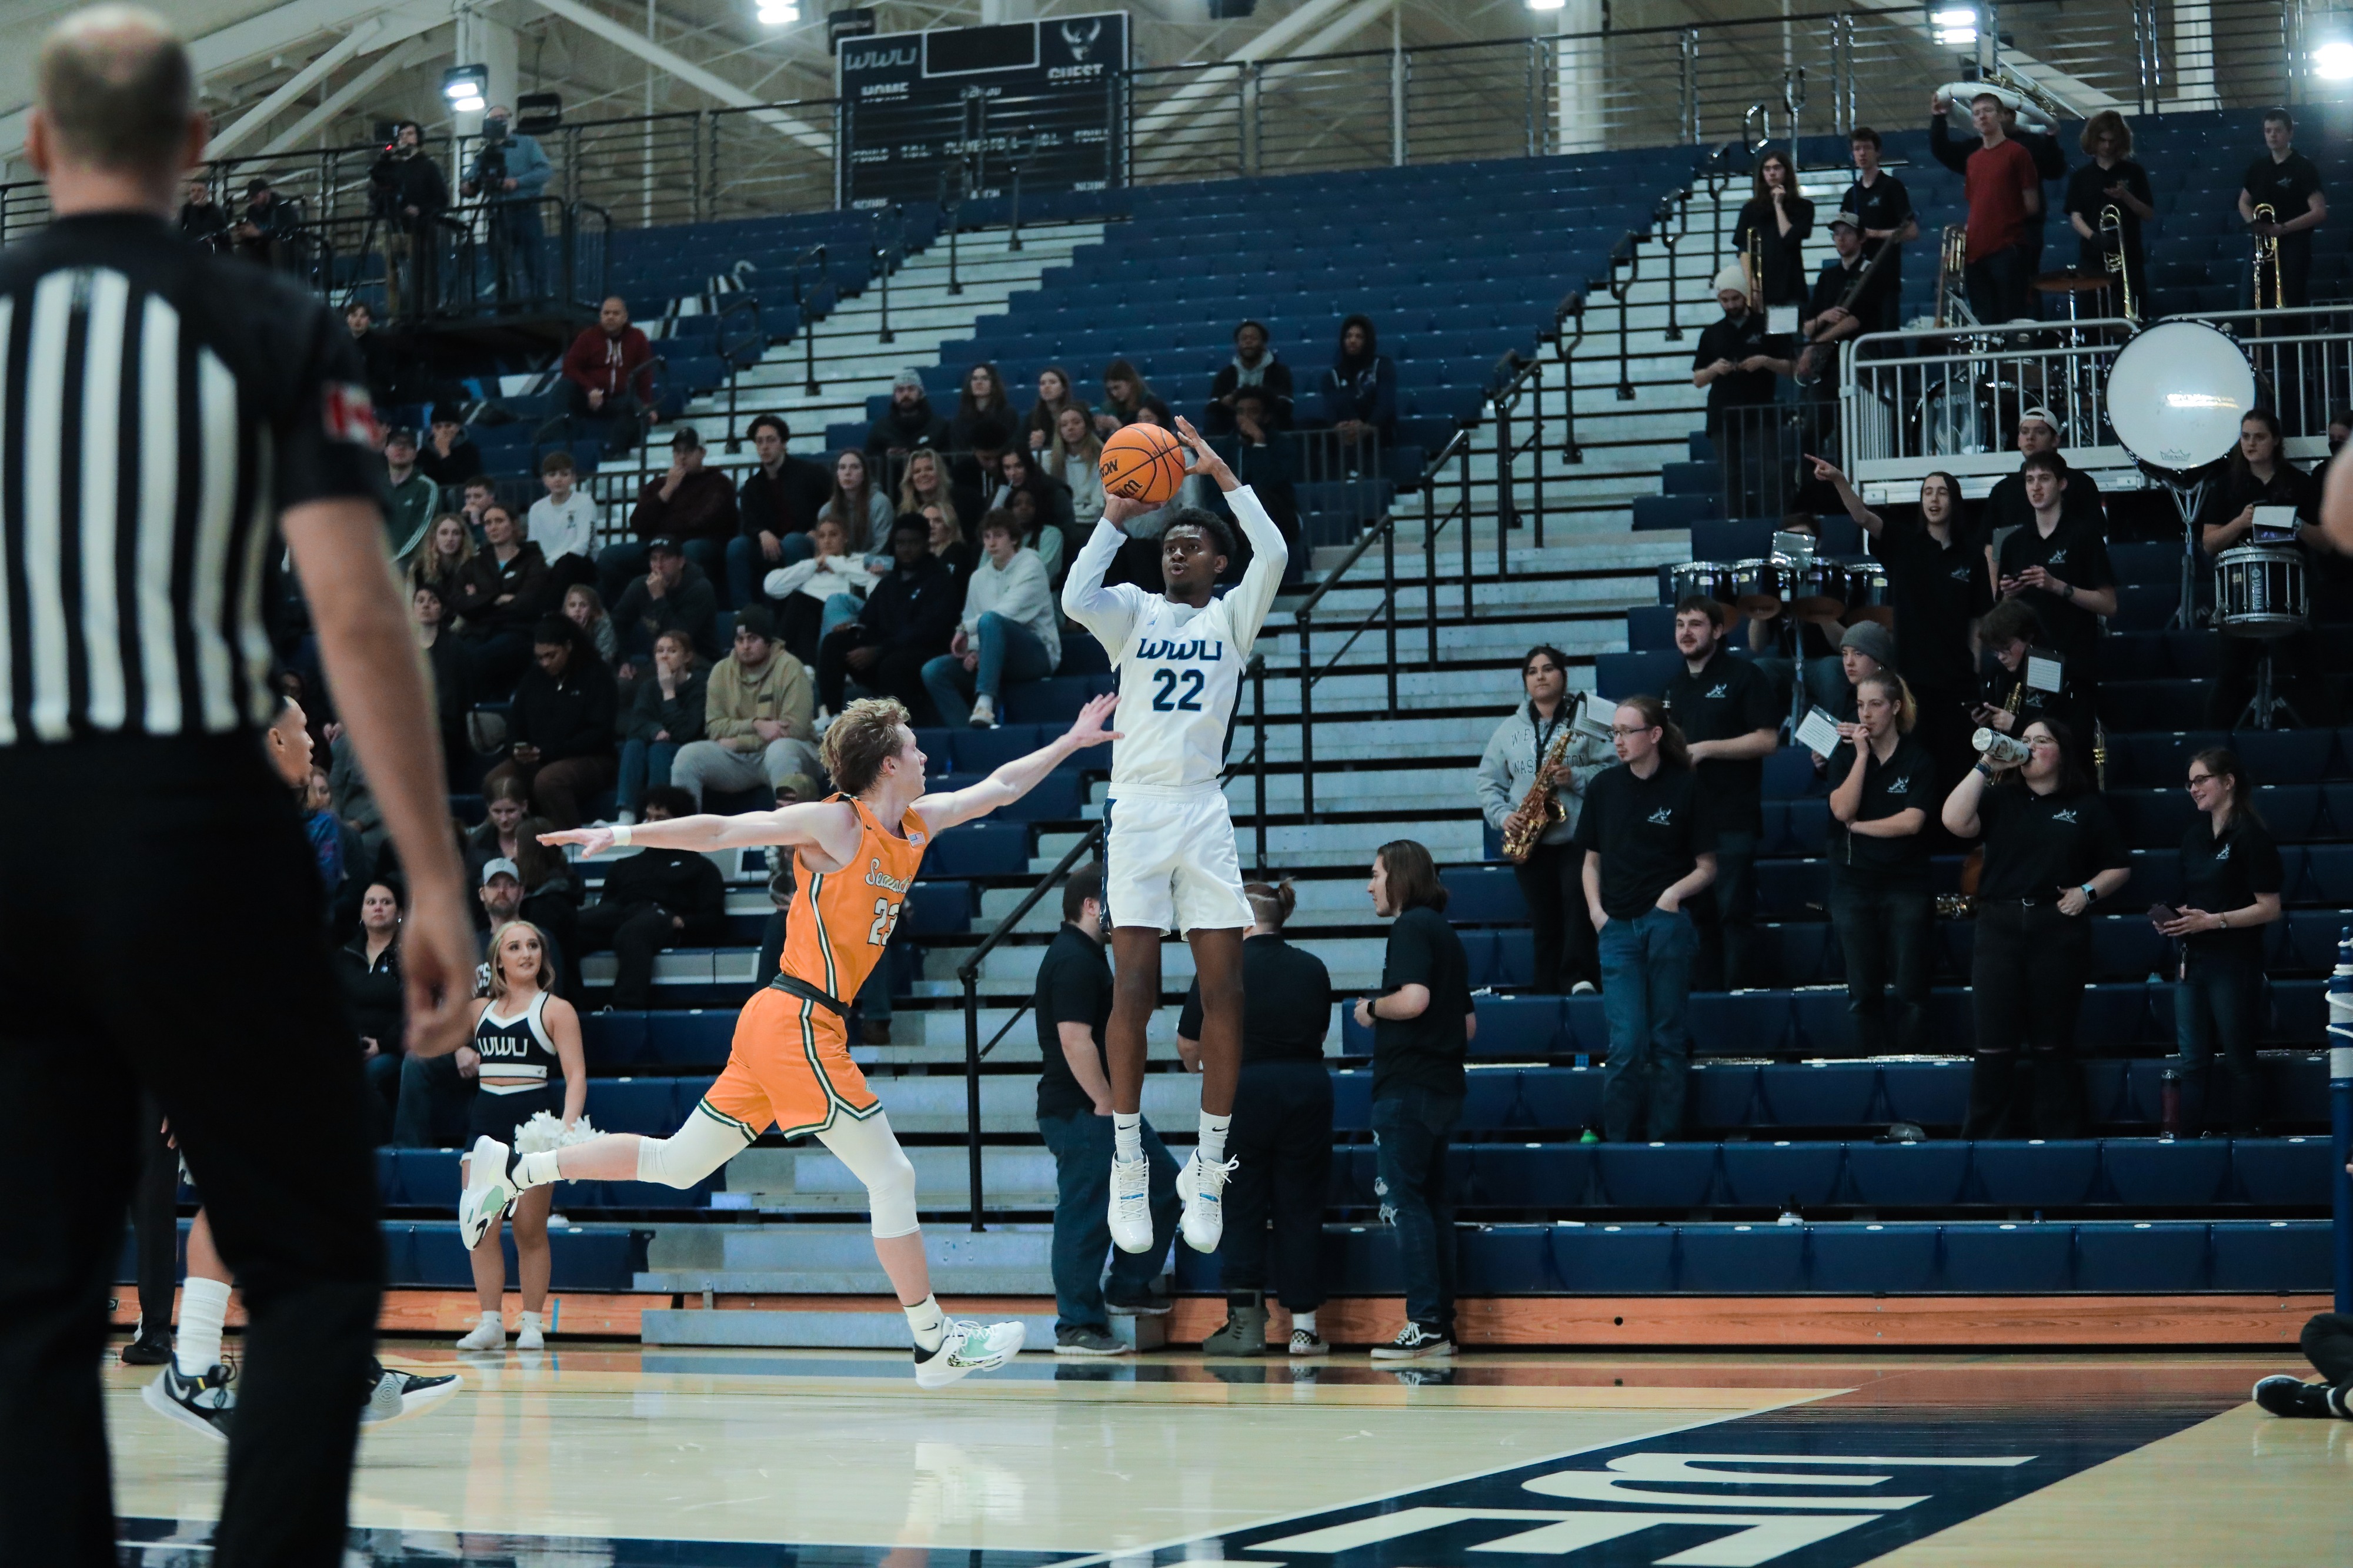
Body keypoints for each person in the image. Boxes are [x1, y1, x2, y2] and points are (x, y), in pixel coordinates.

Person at [0, 11, 476, 1557]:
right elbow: (353, 611)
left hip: (9, 825)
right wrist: (438, 873)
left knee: (31, 1296)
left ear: (36, 145)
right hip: (198, 826)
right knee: (318, 1265)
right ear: (200, 149)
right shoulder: (267, 321)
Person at [485, 694, 1122, 1386]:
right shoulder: (836, 823)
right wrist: (625, 835)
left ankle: (516, 1173)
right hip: (797, 1022)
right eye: (913, 747)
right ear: (886, 763)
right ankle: (933, 1341)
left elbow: (999, 788)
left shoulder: (912, 826)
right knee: (892, 1175)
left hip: (782, 1021)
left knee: (676, 1164)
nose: (925, 755)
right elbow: (729, 829)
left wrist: (1070, 739)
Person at [1062, 418, 1288, 1261]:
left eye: (1192, 545)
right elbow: (1073, 597)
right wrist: (1115, 515)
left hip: (1201, 809)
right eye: (1171, 545)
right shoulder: (1131, 613)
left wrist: (1226, 476)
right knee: (1136, 991)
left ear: (1217, 562)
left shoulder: (1232, 617)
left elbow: (1275, 557)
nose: (1178, 554)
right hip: (1138, 809)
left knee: (1226, 992)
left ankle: (1208, 1163)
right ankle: (1128, 1159)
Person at [1941, 718, 2131, 1138]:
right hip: (1999, 925)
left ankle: (2059, 1140)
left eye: (2040, 741)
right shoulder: (2000, 798)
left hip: (2056, 926)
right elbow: (1953, 820)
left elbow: (2117, 865)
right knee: (1992, 1041)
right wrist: (1986, 764)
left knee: (2052, 1042)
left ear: (2061, 752)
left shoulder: (2085, 805)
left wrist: (2086, 892)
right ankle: (1983, 1143)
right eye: (2023, 740)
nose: (2028, 747)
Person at [1174, 879, 1332, 1357]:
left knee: (1238, 1203)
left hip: (1241, 1088)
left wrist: (1205, 1065)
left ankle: (1245, 1322)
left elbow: (1187, 1044)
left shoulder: (1219, 967)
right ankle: (1304, 1327)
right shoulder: (1313, 967)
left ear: (1240, 918)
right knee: (1300, 1205)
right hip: (1307, 1086)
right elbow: (1319, 1030)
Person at [1033, 862, 1177, 1356]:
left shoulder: (1088, 956)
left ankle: (1125, 1286)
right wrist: (1101, 1099)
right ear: (1092, 905)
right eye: (1116, 899)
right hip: (1083, 1109)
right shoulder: (1073, 959)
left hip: (1103, 1108)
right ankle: (1075, 1324)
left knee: (1163, 1184)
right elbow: (1074, 1039)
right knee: (1085, 1213)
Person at [1576, 696, 1717, 1143]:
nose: (1617, 740)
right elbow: (1590, 861)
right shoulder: (1602, 787)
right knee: (1626, 1043)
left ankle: (1663, 1144)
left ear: (1653, 735)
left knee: (1666, 1039)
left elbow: (1708, 866)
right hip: (1616, 925)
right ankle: (1618, 1145)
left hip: (1665, 922)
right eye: (1613, 732)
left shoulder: (1685, 786)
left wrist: (1671, 896)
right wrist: (1597, 914)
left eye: (1626, 731)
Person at [1811, 461, 1989, 810]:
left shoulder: (1972, 556)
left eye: (1942, 492)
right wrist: (1839, 480)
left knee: (1958, 759)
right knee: (1918, 760)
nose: (1934, 499)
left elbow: (1976, 624)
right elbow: (1862, 516)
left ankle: (1959, 837)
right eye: (1927, 492)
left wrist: (1977, 672)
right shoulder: (1904, 543)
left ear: (1954, 501)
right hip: (1912, 676)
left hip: (1958, 677)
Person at [1353, 840, 1472, 1360]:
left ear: (1399, 877)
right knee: (1433, 1207)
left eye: (1376, 874)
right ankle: (1440, 1324)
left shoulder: (1409, 927)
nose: (1369, 884)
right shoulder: (1447, 934)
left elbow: (1414, 999)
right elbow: (1468, 1024)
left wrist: (1370, 1008)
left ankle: (1423, 1324)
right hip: (1446, 1087)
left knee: (1404, 1203)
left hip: (1407, 1089)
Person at [452, 919, 587, 1353]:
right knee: (480, 1224)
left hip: (532, 1130)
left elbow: (577, 1075)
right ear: (498, 960)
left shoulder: (556, 1009)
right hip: (484, 1126)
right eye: (515, 947)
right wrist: (460, 1048)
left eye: (533, 945)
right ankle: (490, 1321)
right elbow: (444, 1038)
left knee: (529, 1229)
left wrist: (564, 1132)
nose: (526, 953)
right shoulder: (477, 1011)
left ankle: (532, 1324)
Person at [2160, 749, 2283, 1138]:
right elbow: (2195, 895)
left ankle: (2245, 1140)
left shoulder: (2252, 836)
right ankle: (2188, 1145)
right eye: (2189, 782)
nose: (2193, 788)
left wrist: (2214, 921)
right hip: (2191, 957)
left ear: (2228, 781)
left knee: (2237, 1057)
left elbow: (2269, 908)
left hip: (2234, 959)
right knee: (2192, 1060)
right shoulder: (2193, 837)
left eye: (2201, 780)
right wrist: (2179, 917)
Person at [1476, 645, 1613, 996]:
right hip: (1532, 840)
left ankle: (1578, 982)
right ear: (1525, 681)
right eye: (1533, 671)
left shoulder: (1588, 719)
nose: (1541, 676)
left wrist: (1576, 777)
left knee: (1577, 911)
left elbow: (1616, 769)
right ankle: (1548, 993)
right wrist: (1505, 816)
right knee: (1545, 924)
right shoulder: (1508, 730)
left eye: (1549, 669)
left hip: (1578, 837)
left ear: (1564, 677)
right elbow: (1488, 783)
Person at [1663, 596, 1779, 992]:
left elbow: (1767, 740)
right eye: (1680, 624)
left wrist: (1707, 748)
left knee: (1733, 914)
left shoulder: (1745, 675)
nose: (1685, 632)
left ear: (1717, 630)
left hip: (1732, 816)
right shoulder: (1673, 685)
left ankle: (1739, 1003)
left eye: (1695, 624)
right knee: (1696, 919)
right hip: (1686, 822)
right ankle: (1707, 1006)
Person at [2198, 407, 2333, 727]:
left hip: (2290, 592)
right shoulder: (2224, 485)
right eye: (2245, 437)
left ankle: (2330, 744)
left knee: (2310, 672)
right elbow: (2209, 543)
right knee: (2229, 675)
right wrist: (2240, 522)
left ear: (2275, 441)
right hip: (2239, 592)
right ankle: (2210, 756)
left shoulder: (2301, 484)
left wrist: (2296, 524)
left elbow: (2326, 542)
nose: (2250, 444)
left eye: (2259, 437)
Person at [1825, 673, 1934, 1056]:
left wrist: (1861, 828)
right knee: (1862, 989)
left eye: (1874, 704)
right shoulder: (1845, 754)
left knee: (1911, 988)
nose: (1865, 713)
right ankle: (1867, 1066)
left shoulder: (1918, 758)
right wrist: (1860, 756)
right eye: (1859, 705)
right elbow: (1841, 810)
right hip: (1853, 882)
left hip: (1906, 880)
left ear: (1895, 707)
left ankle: (1911, 1066)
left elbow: (1911, 822)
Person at [573, 785, 725, 1012]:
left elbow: (714, 920)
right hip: (622, 914)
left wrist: (679, 922)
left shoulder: (701, 868)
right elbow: (606, 908)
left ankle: (627, 1009)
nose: (651, 824)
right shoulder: (623, 866)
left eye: (661, 818)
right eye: (648, 817)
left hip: (663, 921)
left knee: (633, 932)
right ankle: (567, 1003)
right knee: (570, 926)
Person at [1996, 450, 2117, 708]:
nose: (2036, 487)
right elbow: (2003, 613)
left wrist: (2057, 586)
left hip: (2074, 662)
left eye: (2044, 479)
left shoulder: (2084, 536)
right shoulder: (2013, 543)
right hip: (2028, 666)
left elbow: (2109, 605)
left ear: (2062, 484)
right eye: (2030, 480)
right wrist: (2009, 594)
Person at [922, 509, 1060, 730]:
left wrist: (965, 629)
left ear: (1014, 538)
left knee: (991, 620)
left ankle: (985, 703)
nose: (991, 543)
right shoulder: (978, 577)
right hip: (991, 656)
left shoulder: (1032, 566)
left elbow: (1007, 613)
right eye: (987, 537)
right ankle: (965, 736)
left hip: (1036, 653)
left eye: (998, 535)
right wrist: (974, 651)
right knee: (933, 671)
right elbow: (972, 615)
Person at [672, 606, 820, 808]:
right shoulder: (721, 671)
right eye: (740, 640)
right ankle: (687, 837)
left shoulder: (790, 667)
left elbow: (795, 729)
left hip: (793, 753)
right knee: (687, 756)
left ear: (768, 641)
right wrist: (757, 725)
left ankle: (790, 837)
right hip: (741, 761)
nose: (746, 646)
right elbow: (714, 727)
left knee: (780, 749)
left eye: (753, 639)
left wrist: (740, 742)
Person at [817, 513, 960, 723]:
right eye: (901, 543)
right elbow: (869, 622)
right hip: (884, 651)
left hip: (925, 654)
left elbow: (927, 631)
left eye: (913, 542)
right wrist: (854, 630)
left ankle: (901, 727)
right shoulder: (888, 583)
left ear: (925, 543)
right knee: (834, 643)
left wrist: (879, 650)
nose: (906, 549)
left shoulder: (940, 581)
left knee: (892, 665)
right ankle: (831, 716)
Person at [481, 616, 619, 830]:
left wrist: (548, 752)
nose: (545, 663)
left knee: (549, 781)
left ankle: (570, 844)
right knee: (495, 780)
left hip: (591, 758)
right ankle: (511, 842)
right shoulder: (534, 677)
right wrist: (516, 748)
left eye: (551, 656)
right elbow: (515, 723)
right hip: (539, 757)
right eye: (540, 658)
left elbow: (599, 734)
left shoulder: (597, 676)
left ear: (569, 647)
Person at [1692, 268, 1794, 516]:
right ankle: (1736, 523)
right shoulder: (1711, 334)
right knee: (1731, 475)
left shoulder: (1768, 324)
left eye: (1735, 299)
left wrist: (1765, 361)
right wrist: (1714, 369)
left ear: (1745, 296)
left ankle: (1776, 521)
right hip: (1723, 413)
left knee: (1771, 471)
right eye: (1725, 300)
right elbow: (1698, 379)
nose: (1730, 305)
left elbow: (1792, 367)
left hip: (1759, 410)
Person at [1937, 91, 2042, 324]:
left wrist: (2004, 219)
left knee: (2012, 318)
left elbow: (2032, 205)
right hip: (1976, 255)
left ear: (2001, 116)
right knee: (1985, 322)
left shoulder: (2018, 153)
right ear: (1973, 122)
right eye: (1976, 113)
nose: (1982, 117)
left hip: (2007, 250)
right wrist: (1960, 248)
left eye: (1988, 111)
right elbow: (1976, 208)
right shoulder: (1973, 160)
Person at [608, 426, 735, 602]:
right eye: (677, 451)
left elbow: (698, 522)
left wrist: (659, 525)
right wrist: (666, 491)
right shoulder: (659, 484)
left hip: (701, 544)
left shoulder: (719, 483)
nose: (682, 457)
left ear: (702, 453)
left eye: (689, 451)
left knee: (691, 551)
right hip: (658, 545)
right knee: (609, 557)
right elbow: (637, 523)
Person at [451, 501, 554, 693]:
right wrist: (497, 600)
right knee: (451, 658)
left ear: (514, 525)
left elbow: (528, 604)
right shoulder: (475, 564)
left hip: (518, 632)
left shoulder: (533, 562)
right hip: (478, 632)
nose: (493, 527)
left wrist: (479, 602)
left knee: (476, 660)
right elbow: (458, 602)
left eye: (499, 521)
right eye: (488, 523)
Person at [731, 412, 829, 607]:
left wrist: (819, 530)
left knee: (792, 541)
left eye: (770, 440)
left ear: (783, 443)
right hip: (771, 546)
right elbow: (748, 521)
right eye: (759, 442)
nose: (764, 447)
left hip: (807, 540)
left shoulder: (812, 473)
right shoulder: (752, 485)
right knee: (737, 547)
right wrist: (762, 532)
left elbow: (833, 506)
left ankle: (795, 611)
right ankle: (743, 614)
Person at [1972, 596, 2094, 750]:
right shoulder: (1999, 674)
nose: (2001, 657)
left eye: (2006, 648)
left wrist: (2016, 725)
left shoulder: (2055, 672)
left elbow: (2068, 733)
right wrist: (1985, 722)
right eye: (1996, 651)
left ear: (2029, 638)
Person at [462, 103, 552, 305]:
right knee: (501, 266)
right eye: (495, 119)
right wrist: (467, 186)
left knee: (534, 264)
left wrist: (517, 183)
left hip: (526, 211)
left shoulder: (527, 143)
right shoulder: (485, 154)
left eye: (503, 118)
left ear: (510, 120)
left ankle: (540, 306)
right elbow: (469, 181)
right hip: (498, 214)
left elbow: (545, 171)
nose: (500, 122)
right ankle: (507, 307)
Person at [2065, 110, 2154, 316]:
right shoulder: (2081, 177)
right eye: (2102, 140)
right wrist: (2095, 238)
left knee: (2136, 318)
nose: (2106, 147)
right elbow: (2075, 216)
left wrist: (2126, 196)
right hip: (2092, 258)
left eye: (2112, 141)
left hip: (2128, 258)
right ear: (2093, 140)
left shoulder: (2134, 172)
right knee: (2091, 318)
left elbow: (2148, 214)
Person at [2238, 108, 2328, 307]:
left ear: (2290, 133)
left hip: (2293, 245)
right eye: (2268, 131)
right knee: (2249, 304)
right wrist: (2253, 223)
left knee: (2291, 303)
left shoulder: (2303, 167)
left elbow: (2319, 211)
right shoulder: (2258, 168)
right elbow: (2244, 201)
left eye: (2277, 130)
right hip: (2262, 245)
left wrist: (2284, 228)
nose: (2272, 135)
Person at [339, 881, 406, 1137]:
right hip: (349, 1047)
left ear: (400, 913)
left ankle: (381, 1155)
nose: (378, 907)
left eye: (386, 902)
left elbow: (419, 1011)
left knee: (366, 1078)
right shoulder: (344, 955)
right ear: (361, 913)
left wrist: (383, 1043)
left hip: (393, 1049)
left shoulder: (411, 956)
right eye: (371, 902)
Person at [618, 629, 705, 823]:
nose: (664, 656)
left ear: (687, 657)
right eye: (659, 651)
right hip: (657, 743)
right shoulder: (648, 687)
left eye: (672, 651)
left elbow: (685, 733)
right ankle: (627, 814)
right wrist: (654, 730)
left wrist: (668, 691)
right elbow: (636, 726)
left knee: (659, 750)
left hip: (687, 749)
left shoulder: (699, 686)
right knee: (633, 746)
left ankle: (658, 815)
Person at [1984, 407, 2106, 544]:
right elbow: (1990, 545)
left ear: (2055, 440)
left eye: (2040, 432)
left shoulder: (2080, 483)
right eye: (2025, 432)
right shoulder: (2002, 490)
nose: (2030, 437)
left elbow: (2095, 538)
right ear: (2018, 440)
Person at [1795, 215, 1891, 389]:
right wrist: (1825, 317)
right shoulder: (1826, 277)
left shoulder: (1872, 272)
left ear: (1862, 238)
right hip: (1827, 364)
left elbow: (1855, 320)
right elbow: (1808, 327)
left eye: (1848, 232)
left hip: (1860, 357)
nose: (1841, 238)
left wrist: (1816, 344)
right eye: (1836, 234)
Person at [1839, 127, 1917, 332]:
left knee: (1887, 339)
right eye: (1857, 149)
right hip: (1858, 280)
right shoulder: (1851, 194)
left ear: (1878, 152)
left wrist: (1874, 234)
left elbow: (1912, 232)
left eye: (1867, 148)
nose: (1862, 153)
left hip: (1885, 276)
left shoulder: (1892, 187)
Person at [765, 513, 867, 666]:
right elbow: (770, 586)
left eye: (833, 535)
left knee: (800, 600)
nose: (827, 541)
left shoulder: (856, 561)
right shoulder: (809, 566)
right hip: (809, 620)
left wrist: (834, 563)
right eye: (821, 536)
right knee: (801, 609)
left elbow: (870, 579)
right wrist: (815, 564)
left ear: (845, 538)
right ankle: (809, 668)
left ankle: (775, 658)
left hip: (838, 619)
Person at [373, 119, 449, 322]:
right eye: (401, 135)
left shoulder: (428, 166)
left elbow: (442, 199)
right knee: (393, 276)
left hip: (420, 228)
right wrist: (384, 159)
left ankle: (425, 312)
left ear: (418, 139)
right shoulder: (394, 166)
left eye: (409, 134)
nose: (404, 138)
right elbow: (376, 183)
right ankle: (397, 315)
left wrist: (420, 210)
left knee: (422, 273)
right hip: (394, 227)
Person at [612, 536, 721, 669]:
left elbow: (677, 639)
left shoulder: (700, 589)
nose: (659, 565)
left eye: (666, 558)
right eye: (654, 559)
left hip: (698, 661)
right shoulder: (640, 586)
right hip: (661, 661)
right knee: (624, 685)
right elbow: (618, 621)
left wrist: (658, 598)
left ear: (681, 562)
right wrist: (624, 660)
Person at [562, 295, 657, 445]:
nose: (610, 317)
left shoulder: (638, 338)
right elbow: (569, 367)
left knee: (636, 407)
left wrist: (647, 405)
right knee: (563, 388)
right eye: (606, 313)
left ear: (625, 316)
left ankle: (613, 452)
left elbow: (645, 373)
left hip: (620, 399)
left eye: (615, 313)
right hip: (589, 398)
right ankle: (552, 442)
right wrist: (590, 389)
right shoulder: (587, 337)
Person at [1732, 149, 1814, 313]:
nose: (1772, 173)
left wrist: (1778, 205)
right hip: (1762, 287)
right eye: (1767, 169)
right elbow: (1743, 250)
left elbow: (1789, 238)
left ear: (1786, 171)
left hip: (1791, 285)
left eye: (1777, 168)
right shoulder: (1750, 209)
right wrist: (1753, 287)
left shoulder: (1804, 207)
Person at [1318, 313, 1396, 449]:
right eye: (1348, 336)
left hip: (1377, 431)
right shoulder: (1332, 375)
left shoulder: (1383, 365)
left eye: (1359, 337)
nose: (1352, 341)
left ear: (1368, 341)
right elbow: (1331, 408)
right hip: (1344, 433)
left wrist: (1366, 427)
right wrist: (1338, 426)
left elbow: (1386, 404)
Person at [1204, 319, 1295, 434]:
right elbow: (1212, 405)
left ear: (1263, 343)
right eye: (1244, 339)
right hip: (1233, 423)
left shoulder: (1279, 371)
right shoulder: (1226, 374)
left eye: (1253, 338)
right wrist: (1225, 402)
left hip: (1267, 422)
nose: (1248, 342)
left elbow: (1286, 403)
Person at [529, 450, 600, 594]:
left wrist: (553, 564)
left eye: (564, 474)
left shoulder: (585, 502)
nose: (558, 479)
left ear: (573, 478)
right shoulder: (537, 509)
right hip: (548, 565)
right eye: (552, 475)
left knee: (566, 564)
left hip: (579, 562)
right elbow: (533, 545)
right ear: (544, 479)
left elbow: (584, 545)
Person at [866, 366, 952, 469]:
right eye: (900, 390)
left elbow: (949, 462)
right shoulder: (880, 428)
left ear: (920, 393)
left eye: (911, 389)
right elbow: (869, 463)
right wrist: (887, 458)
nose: (906, 394)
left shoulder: (939, 426)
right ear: (894, 396)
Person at [819, 446, 895, 555]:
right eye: (842, 467)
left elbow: (883, 548)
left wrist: (856, 564)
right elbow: (824, 551)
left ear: (865, 474)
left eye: (854, 467)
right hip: (838, 566)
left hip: (872, 566)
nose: (847, 473)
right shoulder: (827, 510)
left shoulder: (880, 503)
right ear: (837, 474)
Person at [382, 424, 438, 562]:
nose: (401, 448)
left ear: (415, 453)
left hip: (410, 564)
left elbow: (423, 532)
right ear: (386, 450)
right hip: (377, 564)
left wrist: (393, 561)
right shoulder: (375, 485)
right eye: (395, 444)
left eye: (408, 445)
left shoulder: (426, 487)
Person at [950, 361, 1016, 455]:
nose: (979, 382)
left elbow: (1010, 446)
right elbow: (959, 453)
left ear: (993, 384)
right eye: (975, 379)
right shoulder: (960, 421)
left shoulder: (1008, 414)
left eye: (984, 378)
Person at [230, 176, 296, 268]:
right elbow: (253, 229)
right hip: (261, 245)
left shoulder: (283, 207)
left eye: (256, 196)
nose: (254, 201)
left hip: (282, 245)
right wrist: (245, 232)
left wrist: (260, 233)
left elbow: (285, 231)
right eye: (251, 198)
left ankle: (278, 280)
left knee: (275, 246)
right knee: (241, 250)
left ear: (267, 192)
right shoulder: (253, 210)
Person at [418, 404, 484, 490]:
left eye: (448, 426)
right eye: (438, 427)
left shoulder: (469, 450)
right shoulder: (423, 453)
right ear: (432, 430)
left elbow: (463, 483)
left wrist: (445, 453)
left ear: (457, 428)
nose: (443, 431)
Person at [1023, 363, 1082, 450]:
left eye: (1052, 382)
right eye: (1043, 384)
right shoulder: (1032, 417)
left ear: (1063, 388)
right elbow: (1021, 446)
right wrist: (1034, 447)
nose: (1047, 387)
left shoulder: (1076, 413)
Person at [562, 582, 617, 666]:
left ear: (592, 610)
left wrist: (581, 635)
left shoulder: (603, 624)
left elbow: (606, 658)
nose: (577, 609)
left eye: (583, 605)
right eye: (572, 605)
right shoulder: (560, 625)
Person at [1093, 357, 1150, 433]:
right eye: (1110, 390)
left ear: (1130, 383)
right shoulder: (1108, 408)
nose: (1114, 393)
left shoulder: (1148, 404)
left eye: (1117, 388)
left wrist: (1119, 427)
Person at [178, 176, 226, 248]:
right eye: (193, 191)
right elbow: (178, 229)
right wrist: (195, 208)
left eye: (200, 191)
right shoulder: (187, 209)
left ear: (207, 193)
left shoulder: (216, 210)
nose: (196, 194)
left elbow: (222, 232)